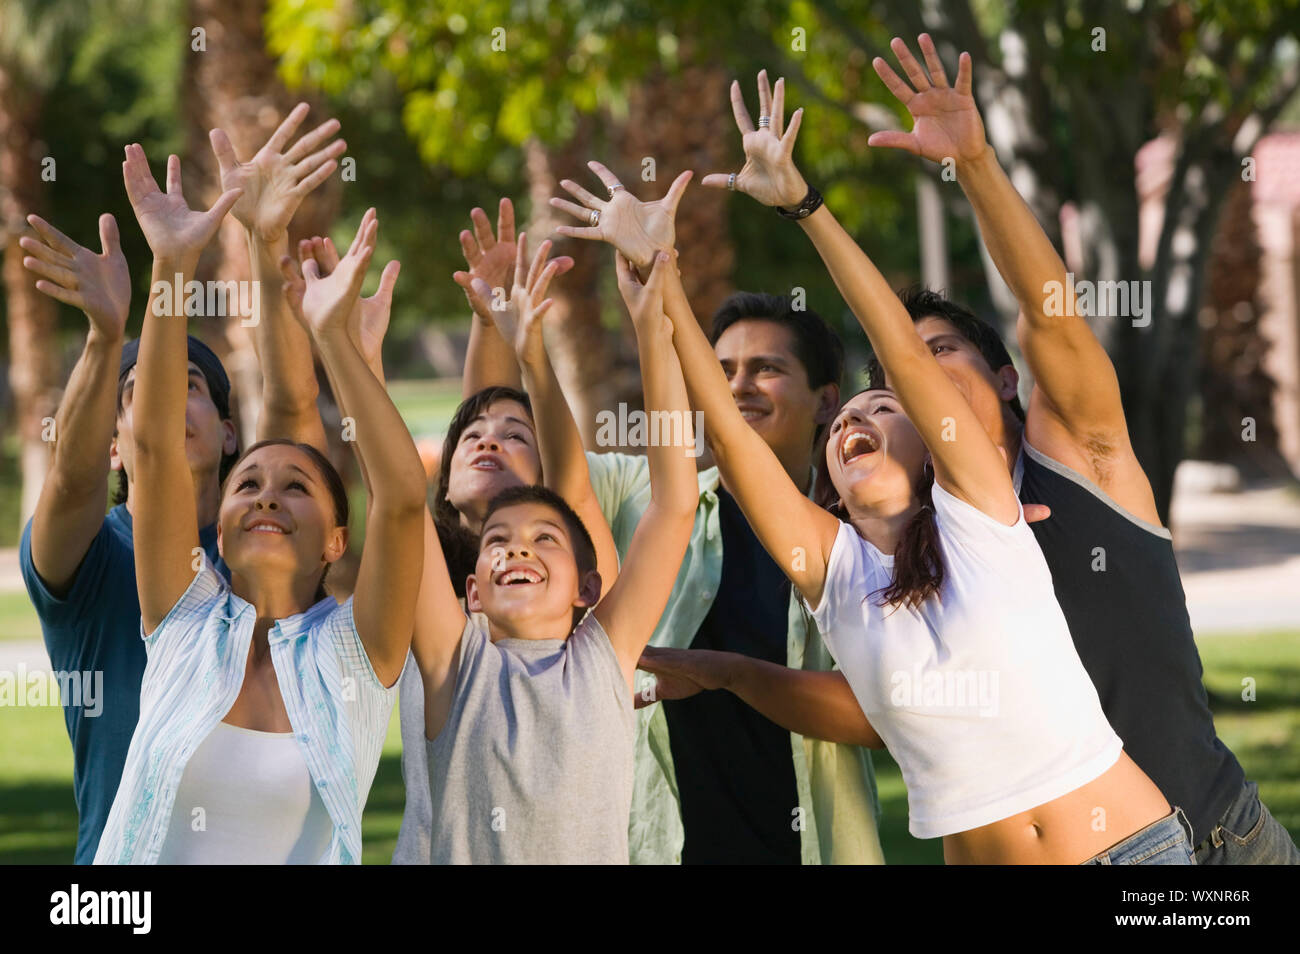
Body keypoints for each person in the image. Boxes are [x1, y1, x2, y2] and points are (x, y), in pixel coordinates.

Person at [648, 37, 1298, 865]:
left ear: (1002, 375)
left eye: (932, 359)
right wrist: (728, 670)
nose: (903, 383)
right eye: (878, 384)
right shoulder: (881, 553)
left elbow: (1050, 310)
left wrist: (974, 165)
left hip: (1200, 837)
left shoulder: (1071, 463)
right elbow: (889, 709)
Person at [523, 168, 886, 865]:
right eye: (721, 370)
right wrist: (531, 347)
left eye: (766, 369)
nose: (739, 386)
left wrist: (723, 672)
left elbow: (873, 716)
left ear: (825, 399)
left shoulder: (861, 537)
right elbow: (565, 476)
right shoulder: (653, 496)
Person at [16, 105, 346, 864]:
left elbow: (295, 408)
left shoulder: (272, 544)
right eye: (136, 396)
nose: (165, 401)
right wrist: (107, 338)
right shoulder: (93, 558)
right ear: (114, 445)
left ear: (231, 431)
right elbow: (68, 479)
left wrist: (266, 242)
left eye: (190, 384)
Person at [94, 146, 425, 864]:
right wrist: (173, 267)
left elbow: (401, 501)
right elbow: (151, 448)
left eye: (296, 487)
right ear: (223, 522)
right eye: (248, 483)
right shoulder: (184, 616)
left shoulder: (358, 649)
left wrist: (336, 338)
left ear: (337, 541)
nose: (266, 494)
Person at [413, 248, 697, 863]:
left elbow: (674, 502)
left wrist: (651, 327)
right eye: (499, 540)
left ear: (587, 587)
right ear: (472, 591)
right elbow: (397, 501)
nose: (518, 544)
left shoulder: (600, 651)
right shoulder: (449, 649)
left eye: (545, 538)